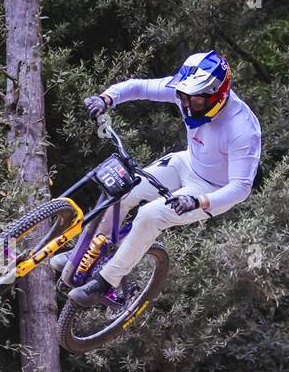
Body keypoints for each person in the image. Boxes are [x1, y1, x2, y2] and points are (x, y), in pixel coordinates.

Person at [67, 50, 262, 306]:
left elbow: (241, 188)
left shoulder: (242, 129)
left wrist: (199, 201)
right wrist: (106, 99)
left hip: (213, 190)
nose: (187, 106)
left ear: (218, 94)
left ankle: (105, 282)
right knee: (123, 189)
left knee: (149, 216)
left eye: (195, 102)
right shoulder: (190, 91)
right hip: (187, 161)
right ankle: (83, 254)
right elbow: (138, 87)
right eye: (182, 98)